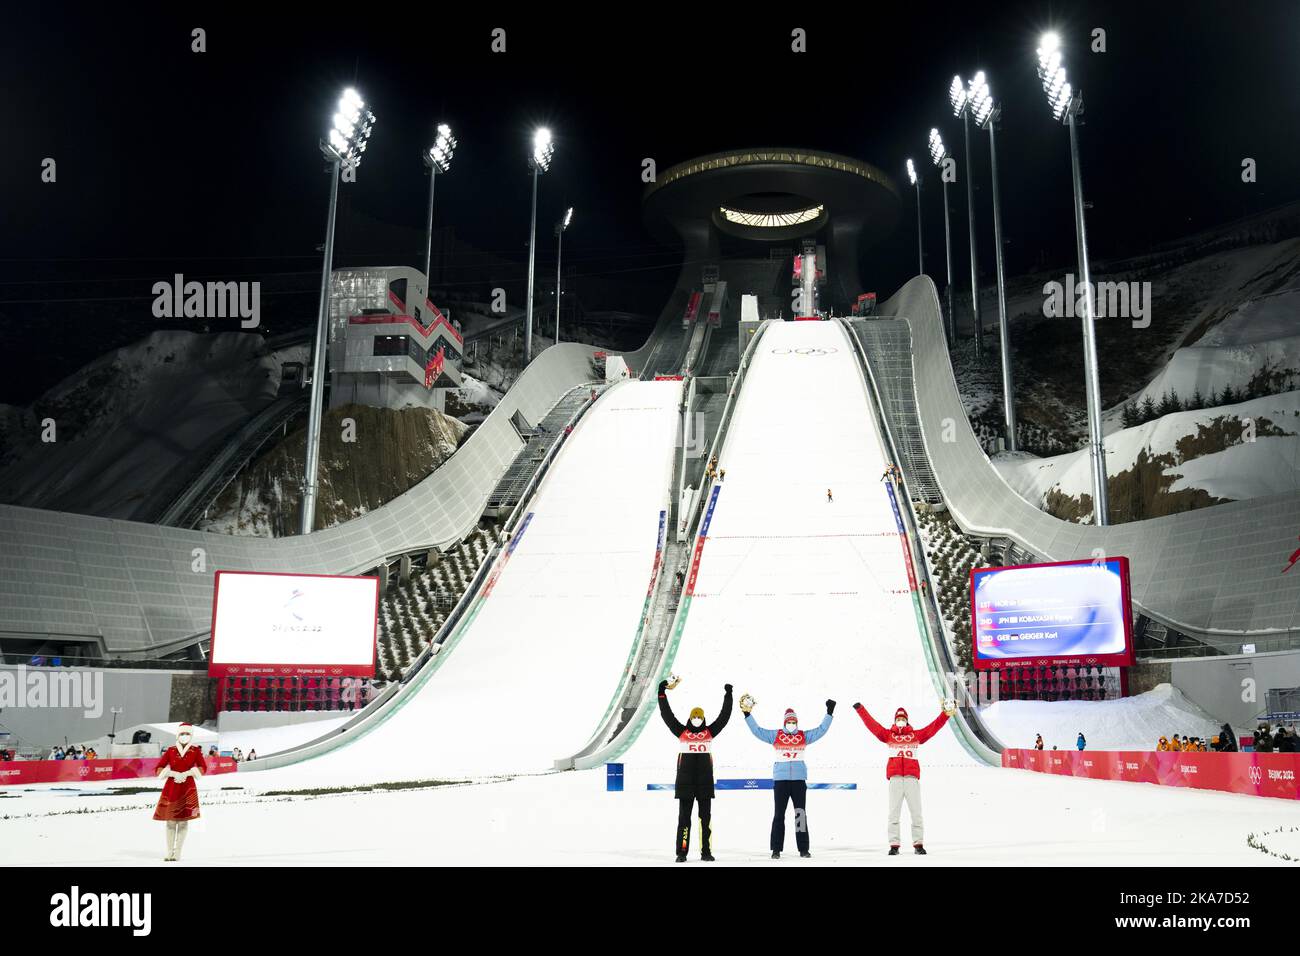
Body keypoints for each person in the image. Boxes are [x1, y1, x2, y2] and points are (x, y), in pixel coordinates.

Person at [853, 701, 954, 855]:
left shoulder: (916, 735)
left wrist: (945, 714)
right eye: (898, 719)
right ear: (895, 721)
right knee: (893, 813)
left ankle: (918, 844)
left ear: (907, 720)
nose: (901, 721)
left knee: (916, 813)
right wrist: (861, 710)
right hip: (895, 779)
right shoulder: (888, 735)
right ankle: (894, 845)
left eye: (903, 718)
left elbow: (933, 728)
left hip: (911, 779)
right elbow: (873, 725)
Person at [742, 698, 835, 859]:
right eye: (789, 721)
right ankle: (776, 849)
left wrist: (829, 713)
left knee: (800, 814)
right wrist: (747, 714)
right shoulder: (775, 735)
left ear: (797, 722)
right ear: (785, 722)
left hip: (799, 781)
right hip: (781, 781)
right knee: (779, 814)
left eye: (794, 721)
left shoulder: (803, 736)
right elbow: (757, 731)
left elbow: (821, 730)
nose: (791, 724)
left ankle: (803, 849)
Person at [658, 678, 733, 862]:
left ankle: (706, 852)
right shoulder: (681, 732)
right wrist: (662, 694)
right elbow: (667, 715)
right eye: (695, 717)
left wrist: (728, 695)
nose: (697, 719)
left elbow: (724, 717)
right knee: (684, 820)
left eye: (700, 717)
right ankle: (682, 852)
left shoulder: (709, 732)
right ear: (690, 718)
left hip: (705, 784)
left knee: (704, 820)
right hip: (685, 785)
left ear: (703, 718)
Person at [154, 723, 207, 862]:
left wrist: (189, 772)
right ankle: (169, 852)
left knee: (183, 822)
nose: (184, 736)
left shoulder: (195, 751)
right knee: (170, 821)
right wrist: (171, 773)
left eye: (187, 734)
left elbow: (203, 767)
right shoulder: (171, 750)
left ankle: (177, 853)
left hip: (188, 786)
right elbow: (158, 768)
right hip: (172, 786)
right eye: (182, 734)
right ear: (178, 735)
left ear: (191, 736)